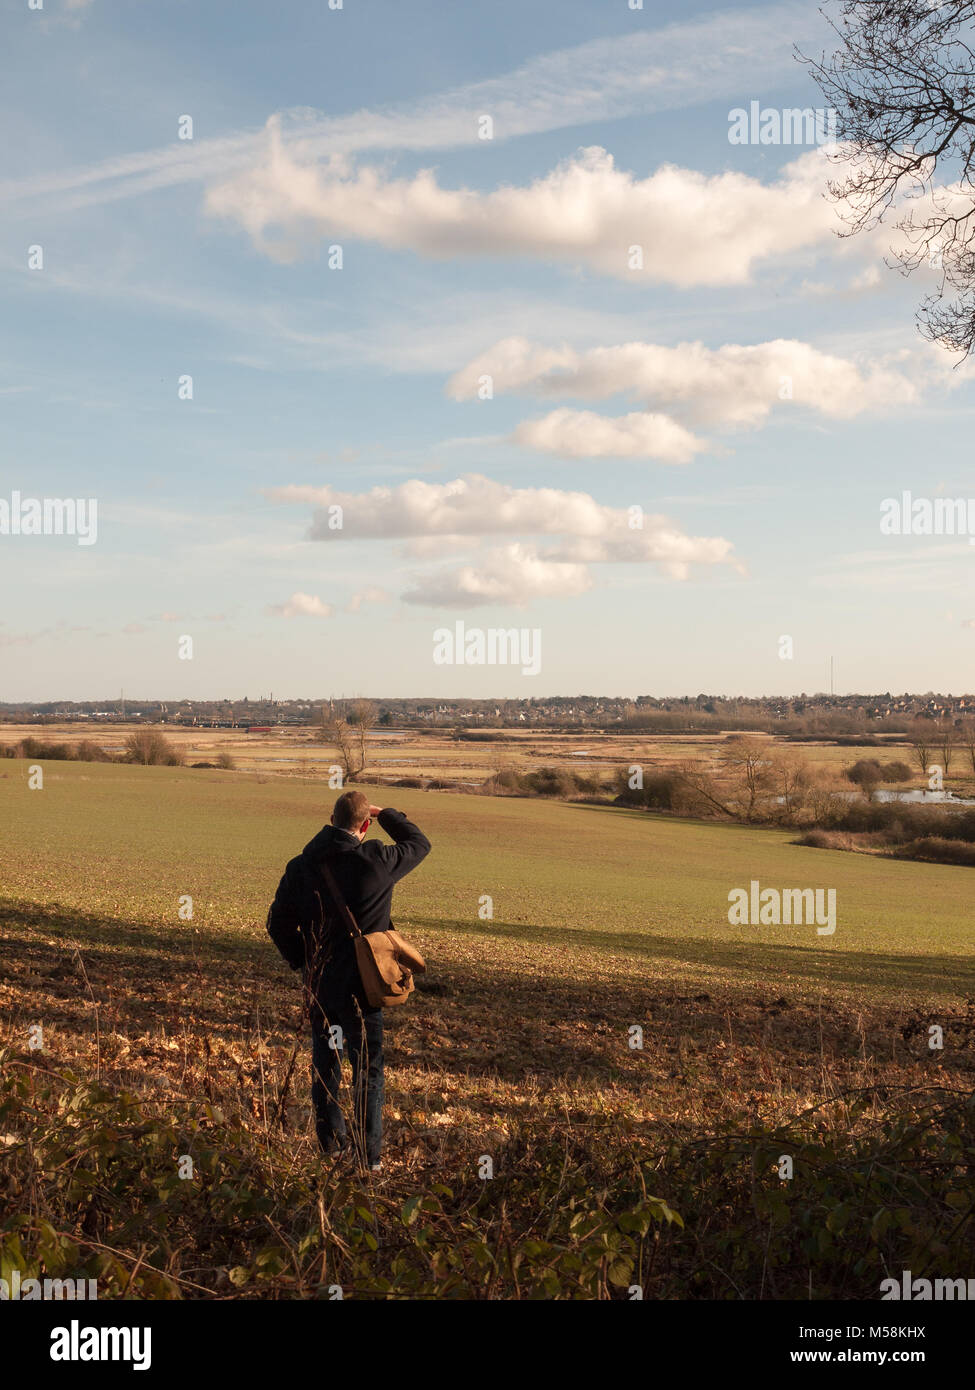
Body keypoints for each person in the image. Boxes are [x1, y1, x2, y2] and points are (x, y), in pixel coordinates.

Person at [266, 789, 430, 1173]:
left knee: (326, 1062)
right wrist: (388, 813)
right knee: (367, 1070)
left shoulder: (301, 866)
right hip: (364, 990)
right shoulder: (377, 860)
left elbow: (277, 924)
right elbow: (419, 843)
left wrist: (303, 962)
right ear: (366, 825)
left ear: (330, 818)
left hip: (322, 987)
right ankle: (368, 1158)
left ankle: (332, 1148)